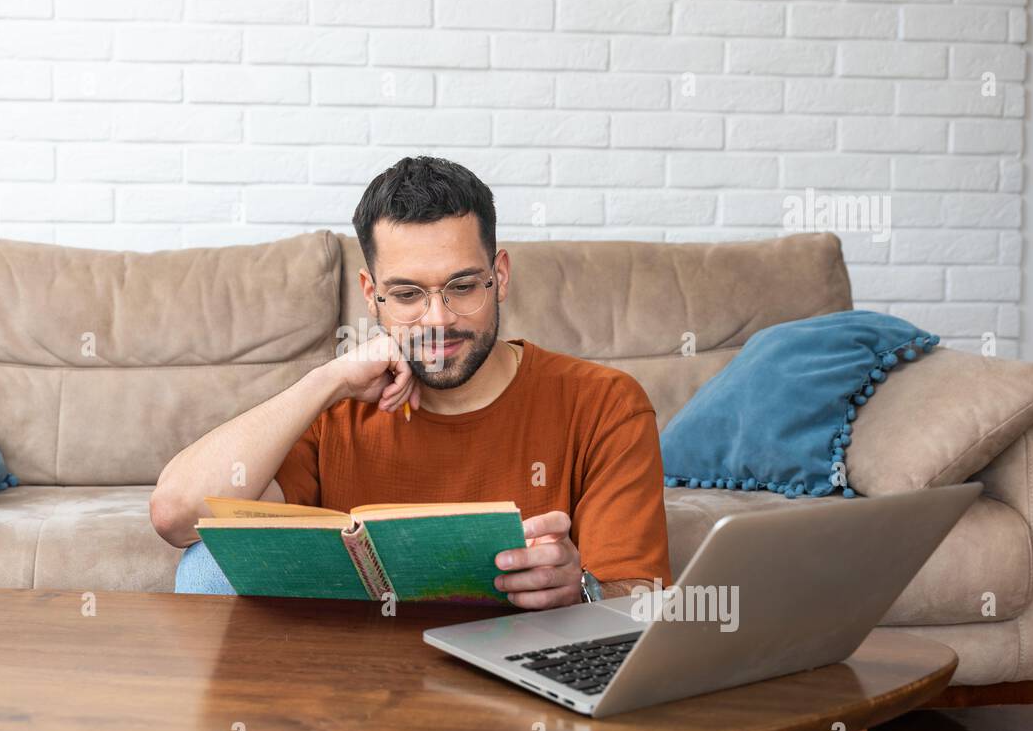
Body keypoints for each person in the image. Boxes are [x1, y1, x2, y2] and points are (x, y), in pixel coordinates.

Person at [151, 156, 670, 609]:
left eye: (463, 286)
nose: (438, 320)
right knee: (207, 563)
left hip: (514, 680)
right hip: (355, 688)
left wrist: (582, 589)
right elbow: (176, 517)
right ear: (370, 295)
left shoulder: (604, 403)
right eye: (406, 295)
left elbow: (642, 600)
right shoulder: (337, 407)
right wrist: (327, 380)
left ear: (501, 276)